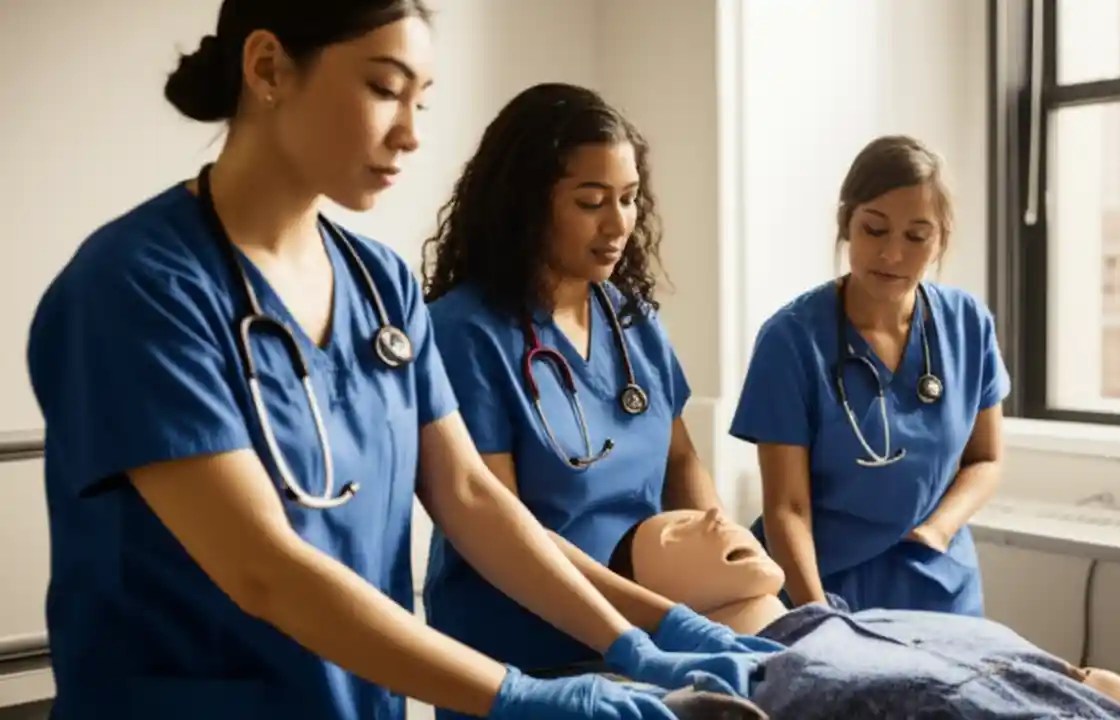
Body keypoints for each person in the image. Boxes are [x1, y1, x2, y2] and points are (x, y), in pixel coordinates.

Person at [24, 4, 764, 719]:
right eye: (384, 88)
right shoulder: (137, 287)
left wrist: (640, 642)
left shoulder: (381, 286)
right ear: (269, 67)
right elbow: (264, 570)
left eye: (422, 101)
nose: (411, 135)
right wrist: (519, 694)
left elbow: (470, 498)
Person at [420, 81, 778, 719]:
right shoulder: (465, 334)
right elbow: (498, 524)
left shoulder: (630, 319)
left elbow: (679, 460)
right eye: (591, 202)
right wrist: (662, 626)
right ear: (525, 203)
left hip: (650, 620)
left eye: (630, 199)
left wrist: (720, 555)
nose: (618, 225)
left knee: (798, 674)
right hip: (529, 650)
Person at [729, 134, 1009, 618]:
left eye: (916, 237)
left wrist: (937, 530)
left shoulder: (968, 324)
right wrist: (817, 617)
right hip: (820, 582)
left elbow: (985, 459)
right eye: (875, 230)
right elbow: (787, 508)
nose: (892, 254)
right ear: (847, 223)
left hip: (938, 580)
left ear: (941, 238)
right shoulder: (792, 339)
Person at [607, 508, 1120, 720]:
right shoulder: (767, 689)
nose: (715, 515)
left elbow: (1084, 678)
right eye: (678, 531)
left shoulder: (892, 621)